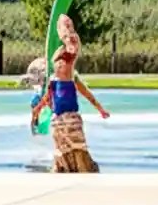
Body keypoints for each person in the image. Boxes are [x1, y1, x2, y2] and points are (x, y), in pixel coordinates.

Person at [30, 15, 110, 172]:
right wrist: (38, 109)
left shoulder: (71, 59)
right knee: (61, 144)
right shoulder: (54, 78)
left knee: (76, 143)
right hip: (58, 111)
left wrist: (100, 109)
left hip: (69, 106)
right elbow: (48, 96)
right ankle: (64, 166)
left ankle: (81, 166)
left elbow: (74, 48)